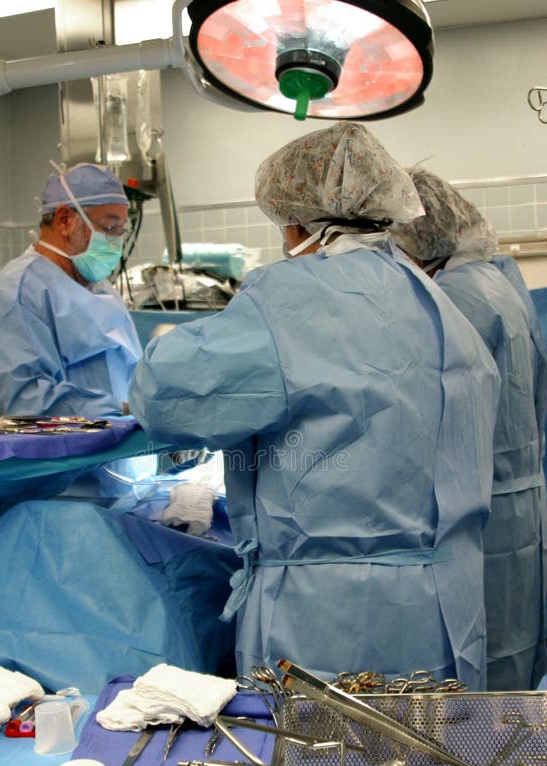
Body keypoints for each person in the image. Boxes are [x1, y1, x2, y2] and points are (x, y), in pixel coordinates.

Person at [129, 122, 500, 689]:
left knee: (318, 765)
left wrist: (163, 342)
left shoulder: (294, 297)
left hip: (330, 618)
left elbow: (164, 397)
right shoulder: (437, 300)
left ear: (298, 221)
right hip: (443, 605)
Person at [391, 168, 546, 690]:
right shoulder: (496, 283)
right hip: (515, 505)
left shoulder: (456, 298)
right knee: (513, 656)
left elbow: (428, 414)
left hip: (483, 513)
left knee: (485, 679)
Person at [0, 163, 142, 418]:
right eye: (109, 228)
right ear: (64, 220)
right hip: (61, 456)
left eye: (121, 230)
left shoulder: (102, 291)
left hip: (123, 454)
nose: (116, 242)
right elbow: (29, 402)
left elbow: (132, 378)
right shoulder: (18, 294)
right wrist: (124, 412)